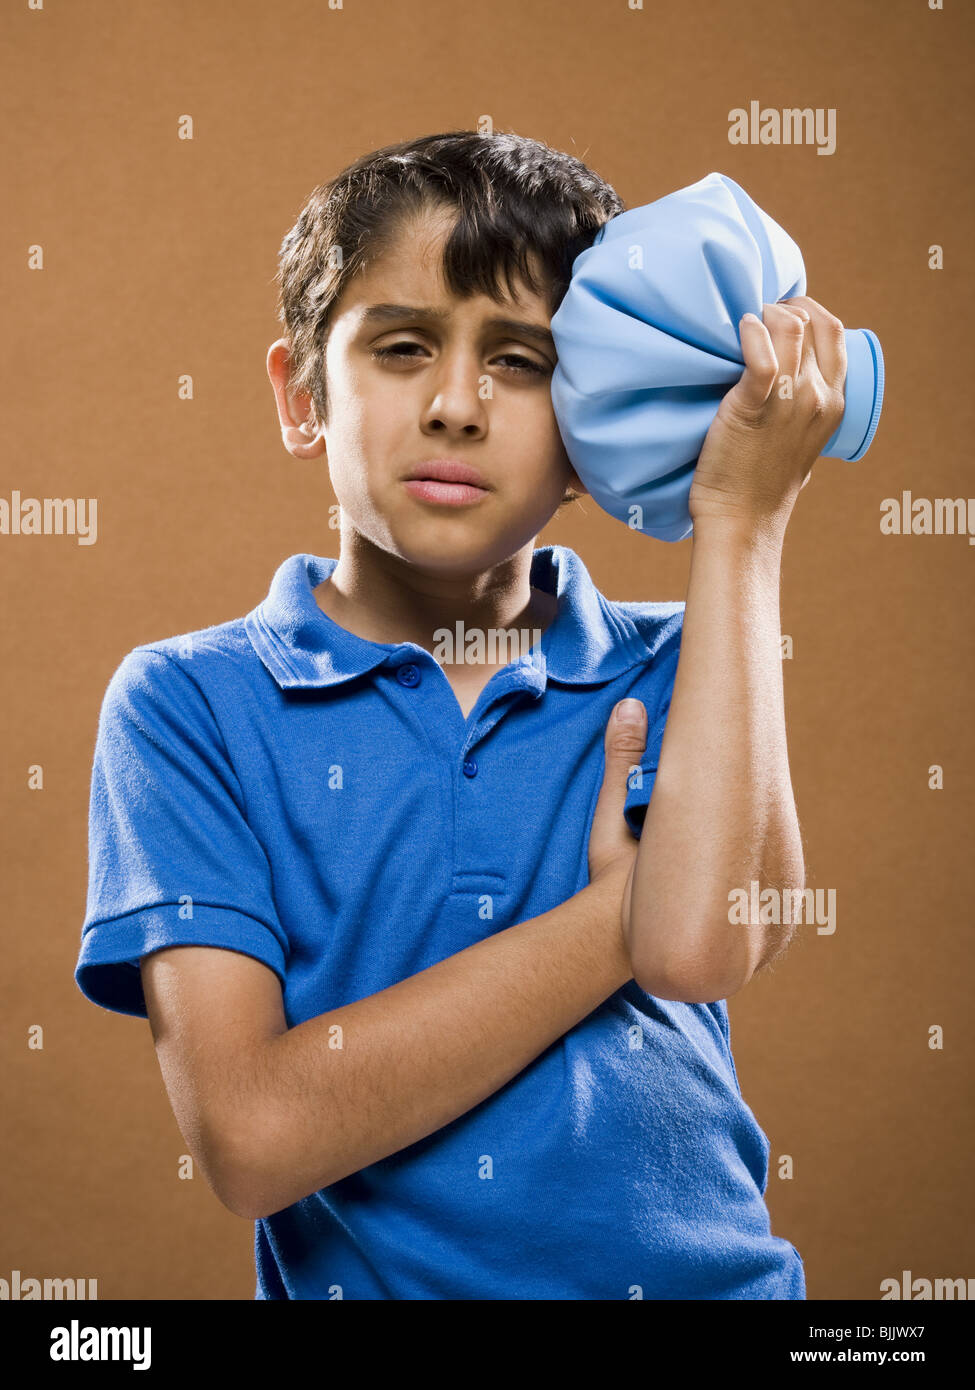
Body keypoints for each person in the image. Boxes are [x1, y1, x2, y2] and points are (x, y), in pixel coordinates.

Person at [75, 130, 844, 1300]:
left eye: (523, 361)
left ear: (598, 423)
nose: (456, 406)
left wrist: (742, 524)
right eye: (401, 347)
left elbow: (704, 945)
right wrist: (612, 915)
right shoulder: (191, 706)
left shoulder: (678, 659)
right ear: (302, 395)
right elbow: (256, 1139)